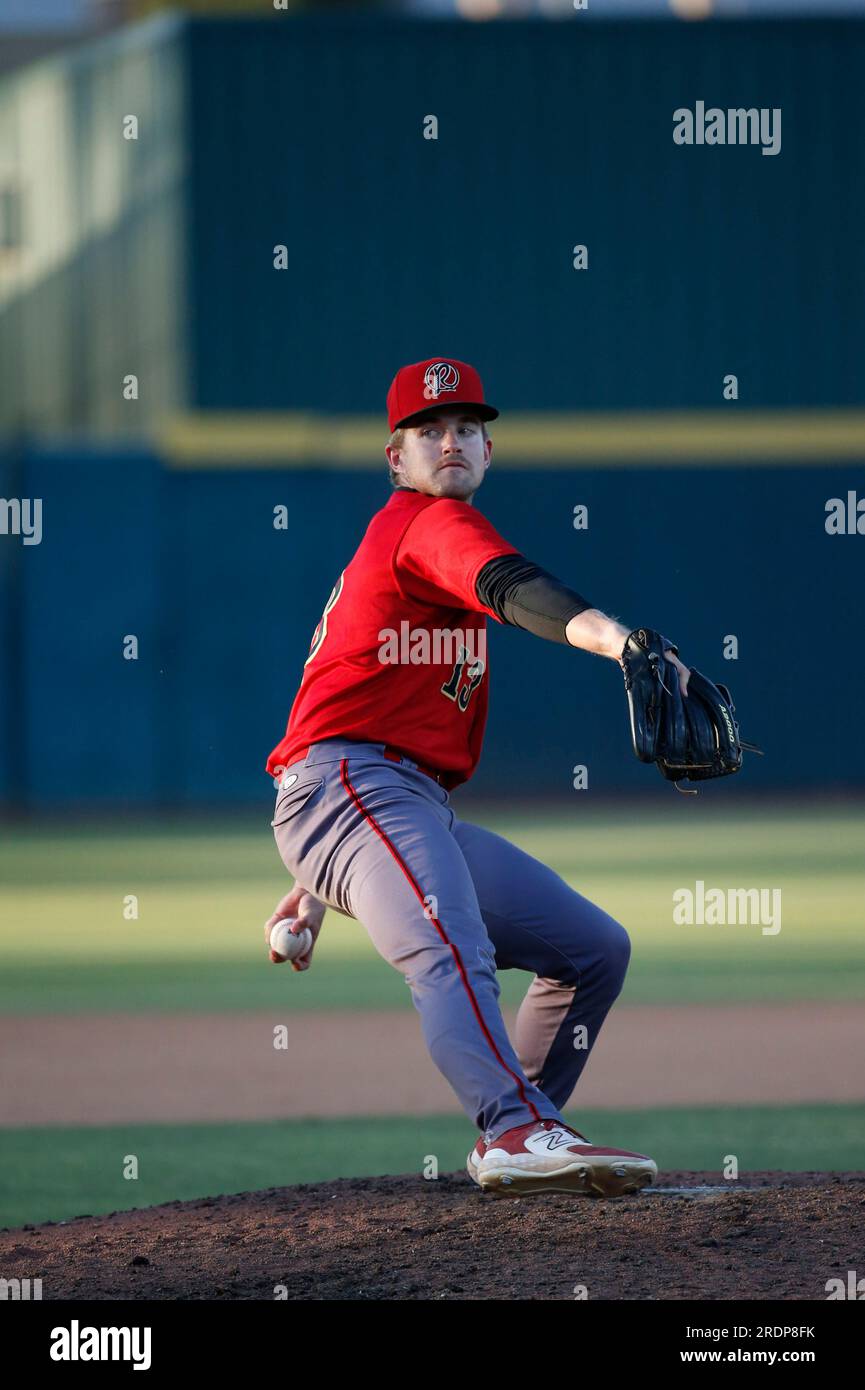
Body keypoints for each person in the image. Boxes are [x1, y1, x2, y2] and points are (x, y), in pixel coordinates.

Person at [263, 357, 690, 1198]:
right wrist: (620, 642)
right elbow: (515, 588)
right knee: (448, 943)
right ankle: (511, 1127)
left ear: (488, 451)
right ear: (397, 459)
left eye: (464, 429)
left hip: (386, 802)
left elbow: (335, 696)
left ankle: (528, 1129)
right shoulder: (422, 527)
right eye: (427, 431)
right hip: (349, 791)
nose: (448, 442)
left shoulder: (412, 548)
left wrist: (312, 883)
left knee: (592, 949)